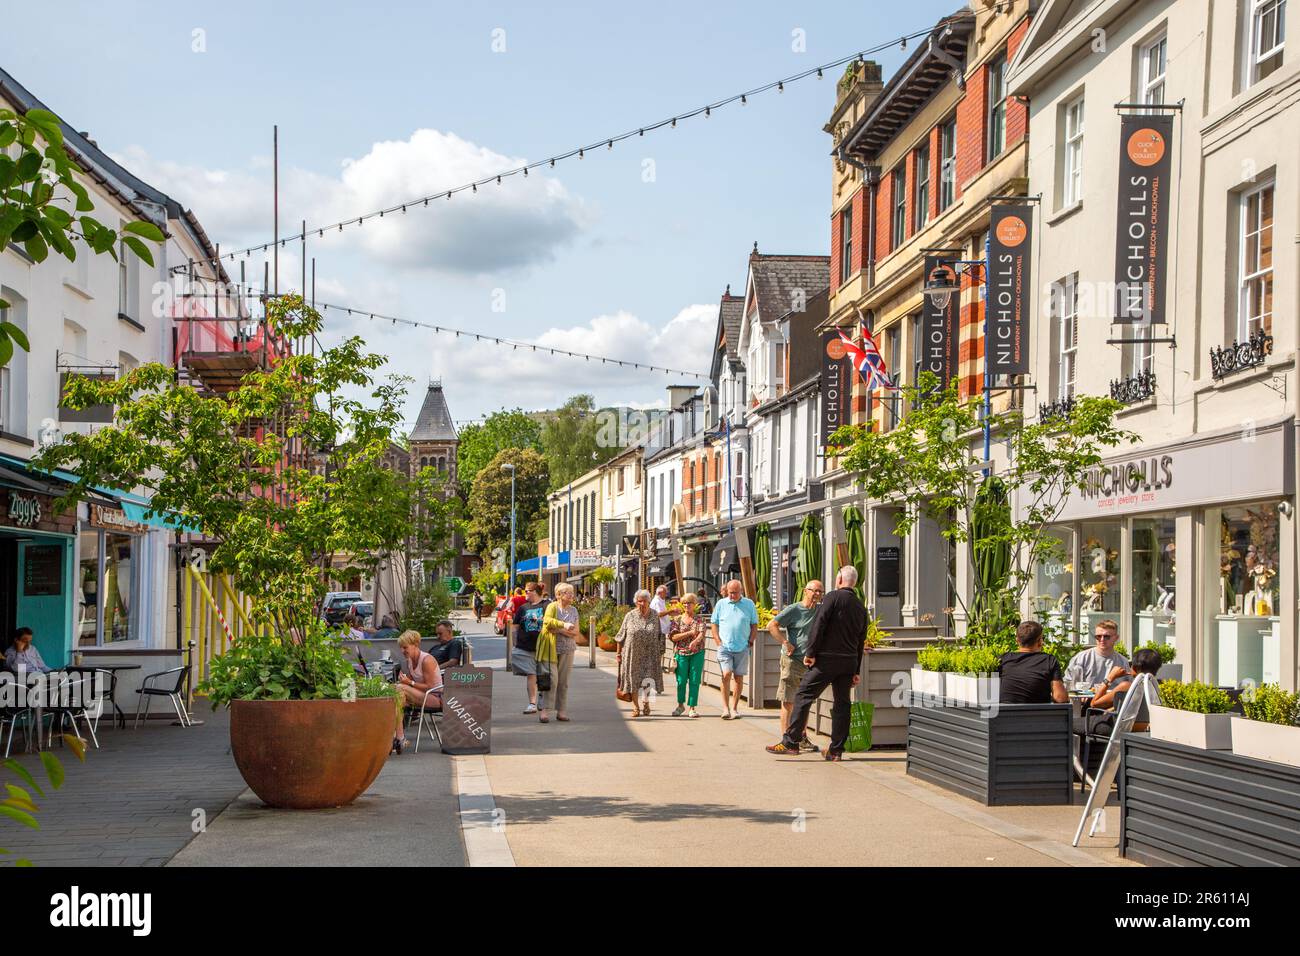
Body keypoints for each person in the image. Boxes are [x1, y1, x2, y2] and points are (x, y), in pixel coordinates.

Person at [766, 567, 865, 761]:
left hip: (827, 660)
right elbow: (861, 640)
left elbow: (819, 625)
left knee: (803, 695)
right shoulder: (860, 606)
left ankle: (791, 742)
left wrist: (810, 653)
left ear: (839, 579)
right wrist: (856, 669)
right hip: (849, 663)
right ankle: (836, 750)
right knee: (842, 704)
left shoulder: (832, 598)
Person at [768, 580, 825, 751]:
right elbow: (771, 625)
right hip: (792, 661)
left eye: (820, 592)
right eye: (814, 591)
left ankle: (801, 738)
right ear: (805, 591)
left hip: (810, 662)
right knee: (788, 701)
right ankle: (786, 740)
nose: (817, 594)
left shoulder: (820, 611)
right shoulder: (794, 609)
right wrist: (785, 642)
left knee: (805, 702)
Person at [1078, 646, 1163, 734]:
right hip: (1143, 729)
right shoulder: (1159, 687)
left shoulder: (1127, 686)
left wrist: (1110, 677)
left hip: (1116, 728)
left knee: (1071, 723)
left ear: (1135, 668)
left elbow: (1094, 704)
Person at [709, 579, 758, 719]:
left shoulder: (749, 604)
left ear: (741, 591)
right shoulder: (721, 604)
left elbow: (754, 624)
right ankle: (725, 708)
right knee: (726, 674)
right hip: (725, 646)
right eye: (730, 593)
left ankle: (735, 708)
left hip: (742, 646)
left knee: (738, 677)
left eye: (735, 593)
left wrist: (751, 640)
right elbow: (714, 623)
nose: (732, 596)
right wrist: (718, 641)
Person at [392, 629, 443, 754]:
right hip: (422, 696)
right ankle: (398, 738)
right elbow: (411, 678)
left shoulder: (427, 660)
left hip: (435, 697)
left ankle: (397, 737)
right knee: (394, 693)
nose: (402, 651)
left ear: (415, 645)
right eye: (401, 648)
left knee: (399, 689)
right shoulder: (410, 660)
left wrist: (409, 683)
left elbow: (429, 686)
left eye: (405, 647)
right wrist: (404, 680)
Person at [997, 620, 1070, 705]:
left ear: (1017, 640)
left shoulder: (1003, 659)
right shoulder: (1049, 660)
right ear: (1040, 641)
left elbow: (991, 692)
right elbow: (1060, 698)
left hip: (1006, 716)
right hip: (1038, 716)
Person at [616, 590, 664, 717]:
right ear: (636, 602)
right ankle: (636, 707)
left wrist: (660, 653)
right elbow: (620, 636)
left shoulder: (655, 615)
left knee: (648, 680)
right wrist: (618, 654)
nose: (642, 603)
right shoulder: (630, 616)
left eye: (645, 600)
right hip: (632, 655)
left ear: (649, 601)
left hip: (650, 654)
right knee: (634, 680)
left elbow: (660, 635)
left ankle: (646, 702)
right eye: (639, 601)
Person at [542, 583, 581, 722]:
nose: (572, 595)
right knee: (552, 680)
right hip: (551, 648)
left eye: (572, 593)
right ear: (559, 595)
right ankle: (545, 710)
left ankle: (561, 710)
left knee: (563, 682)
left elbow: (576, 632)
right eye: (568, 593)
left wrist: (558, 630)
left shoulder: (574, 611)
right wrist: (565, 628)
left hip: (568, 649)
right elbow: (547, 624)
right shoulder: (552, 607)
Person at [512, 583, 548, 715]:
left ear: (536, 591)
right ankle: (532, 703)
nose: (525, 593)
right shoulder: (523, 608)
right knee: (531, 674)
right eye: (525, 591)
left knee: (543, 675)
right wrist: (515, 643)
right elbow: (515, 627)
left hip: (543, 646)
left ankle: (542, 699)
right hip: (526, 647)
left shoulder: (546, 605)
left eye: (528, 591)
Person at [669, 593, 707, 718]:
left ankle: (692, 707)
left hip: (697, 653)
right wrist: (690, 633)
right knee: (681, 681)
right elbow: (673, 637)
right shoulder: (677, 620)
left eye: (689, 603)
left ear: (694, 604)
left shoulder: (700, 619)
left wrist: (695, 641)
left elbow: (701, 634)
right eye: (684, 603)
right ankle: (680, 706)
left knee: (694, 680)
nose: (686, 605)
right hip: (681, 653)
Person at [1064, 619, 1129, 689]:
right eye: (1098, 636)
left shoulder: (1123, 662)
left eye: (1107, 636)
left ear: (1116, 638)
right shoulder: (1081, 658)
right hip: (1085, 699)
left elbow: (1128, 686)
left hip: (1112, 699)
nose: (1102, 639)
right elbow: (1068, 683)